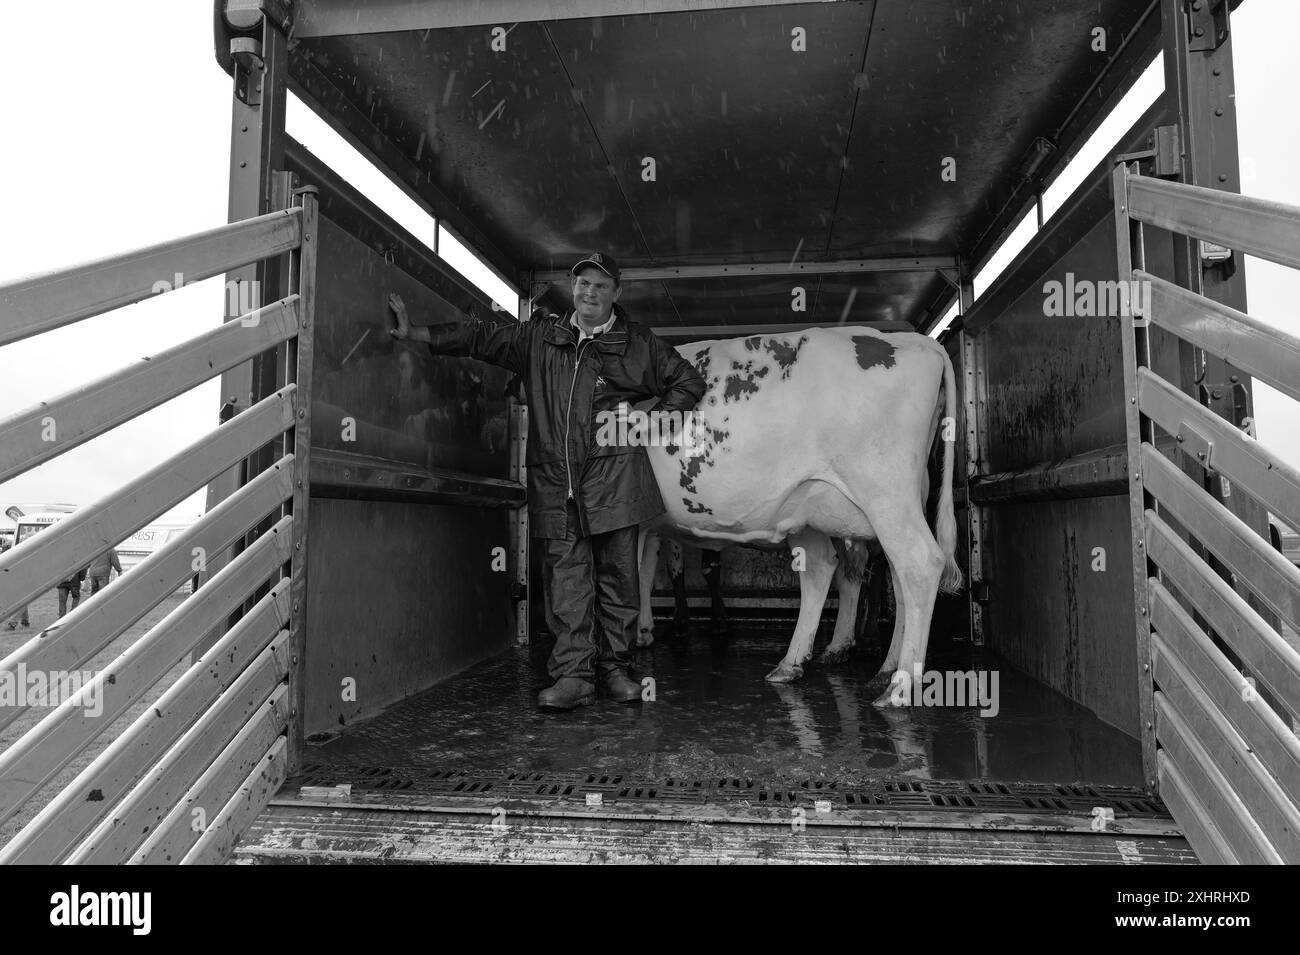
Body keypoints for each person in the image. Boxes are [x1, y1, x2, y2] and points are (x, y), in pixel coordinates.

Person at [388, 252, 706, 711]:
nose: (589, 292)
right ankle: (573, 678)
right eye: (582, 284)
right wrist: (419, 334)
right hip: (557, 485)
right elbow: (483, 338)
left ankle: (614, 671)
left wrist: (645, 419)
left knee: (619, 582)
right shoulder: (540, 335)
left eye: (600, 285)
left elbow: (688, 381)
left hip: (615, 480)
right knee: (565, 584)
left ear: (617, 293)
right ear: (572, 288)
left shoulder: (637, 343)